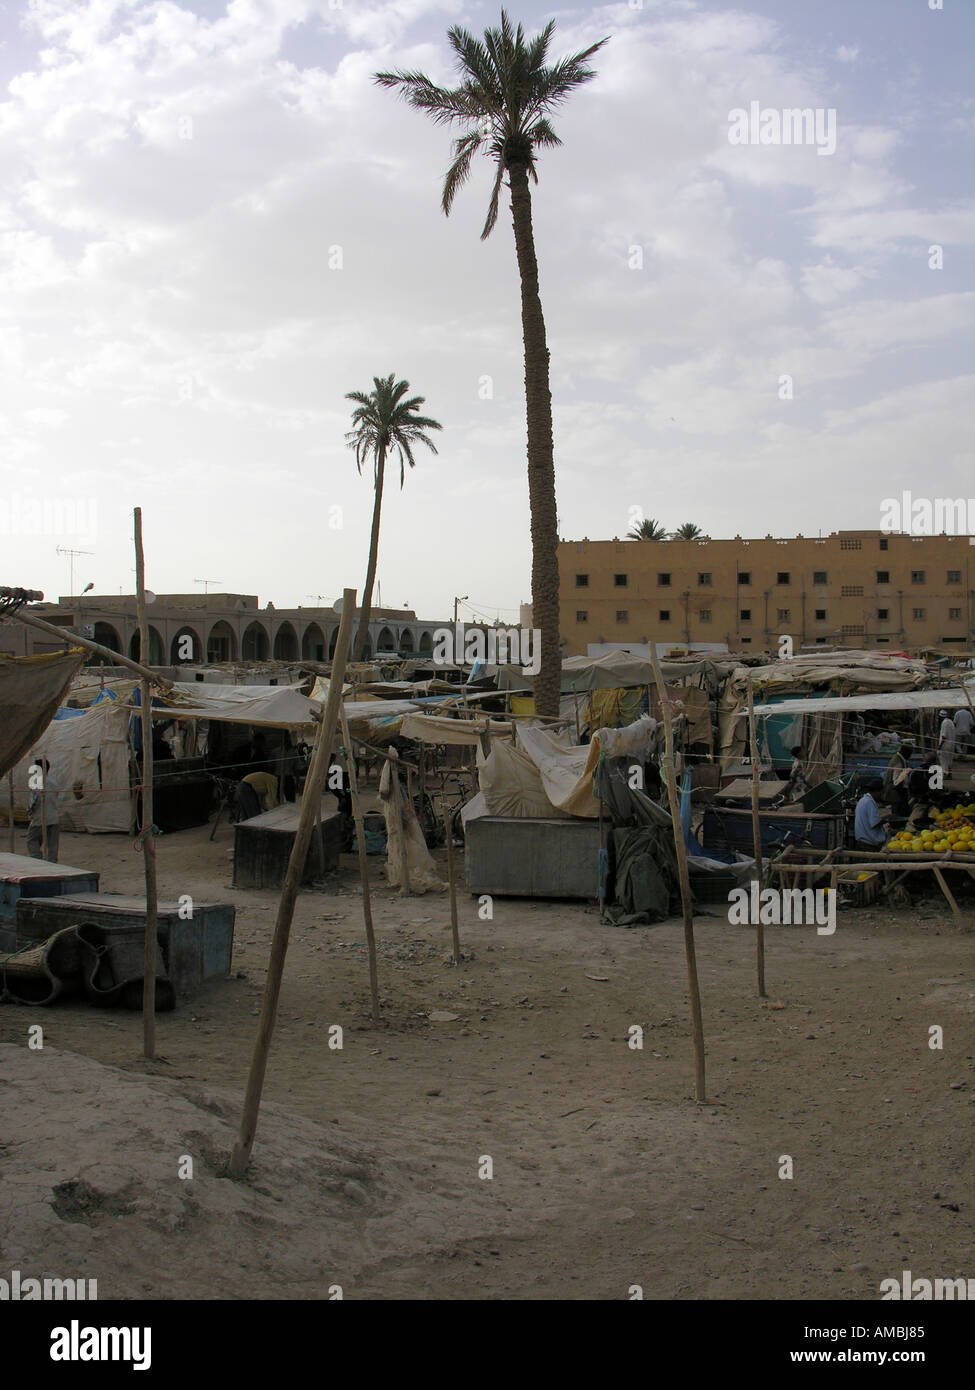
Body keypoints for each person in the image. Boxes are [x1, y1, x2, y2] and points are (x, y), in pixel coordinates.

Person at [26, 758, 60, 862]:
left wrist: (29, 812)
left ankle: (37, 861)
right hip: (54, 817)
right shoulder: (54, 783)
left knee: (32, 840)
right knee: (52, 844)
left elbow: (34, 802)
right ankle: (52, 863)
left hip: (40, 818)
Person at [854, 778, 889, 851]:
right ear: (877, 791)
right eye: (881, 793)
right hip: (868, 843)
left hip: (862, 841)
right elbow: (874, 823)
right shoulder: (869, 802)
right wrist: (887, 820)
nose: (881, 795)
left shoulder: (863, 800)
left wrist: (885, 817)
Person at [882, 742, 914, 818]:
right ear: (906, 752)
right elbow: (896, 782)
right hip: (896, 793)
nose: (910, 756)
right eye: (910, 753)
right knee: (899, 815)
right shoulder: (898, 762)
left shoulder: (899, 759)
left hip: (897, 792)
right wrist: (903, 795)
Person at [937, 709, 956, 775]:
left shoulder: (944, 723)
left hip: (945, 745)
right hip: (951, 744)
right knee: (949, 760)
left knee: (943, 760)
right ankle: (949, 773)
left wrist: (939, 746)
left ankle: (946, 773)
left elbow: (944, 736)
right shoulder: (951, 722)